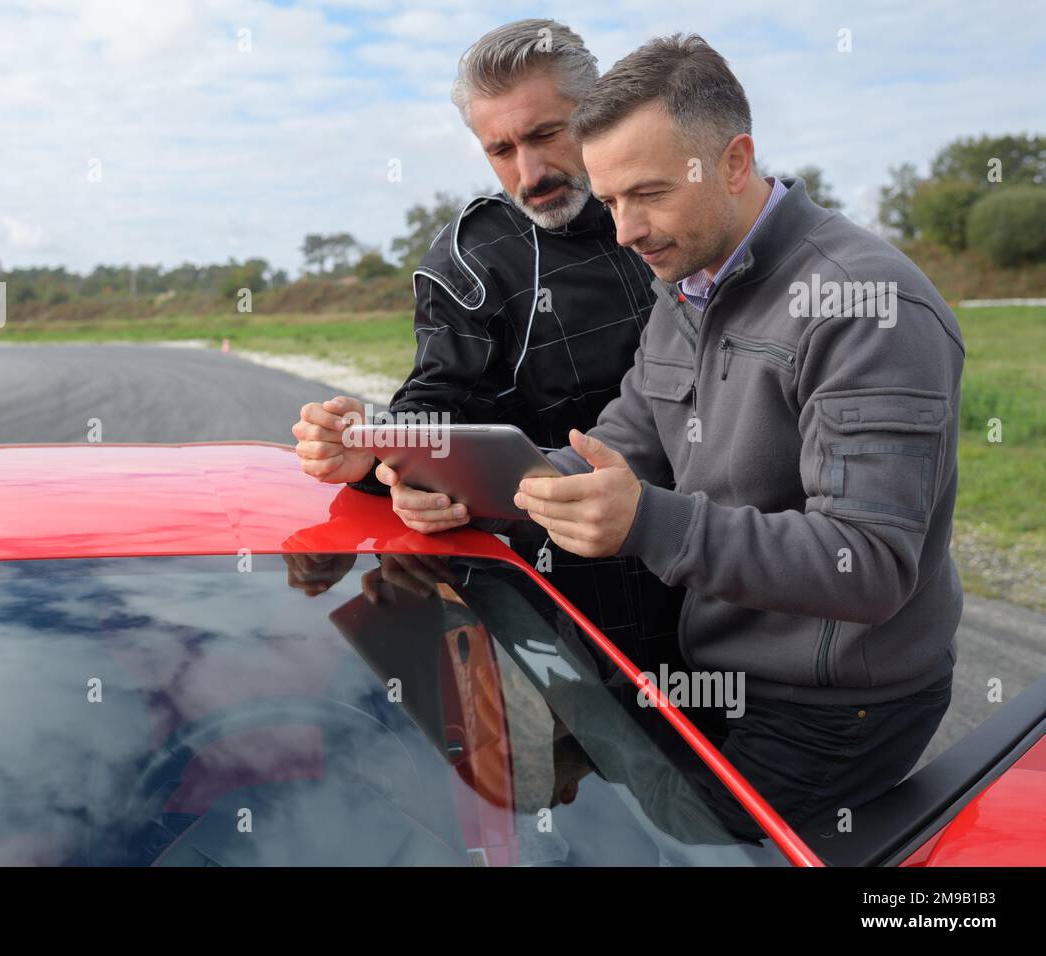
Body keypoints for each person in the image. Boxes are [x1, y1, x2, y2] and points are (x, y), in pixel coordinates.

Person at [379, 33, 963, 831]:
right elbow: (615, 451)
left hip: (838, 708)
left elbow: (868, 564)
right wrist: (464, 492)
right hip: (711, 674)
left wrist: (648, 522)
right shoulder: (688, 289)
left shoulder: (867, 307)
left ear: (732, 162)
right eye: (612, 200)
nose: (623, 231)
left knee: (644, 843)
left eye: (646, 195)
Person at [292, 19, 684, 670]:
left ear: (600, 110)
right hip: (584, 630)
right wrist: (371, 456)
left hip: (741, 591)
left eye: (545, 135)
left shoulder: (683, 206)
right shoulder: (475, 260)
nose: (530, 174)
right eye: (500, 150)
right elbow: (433, 409)